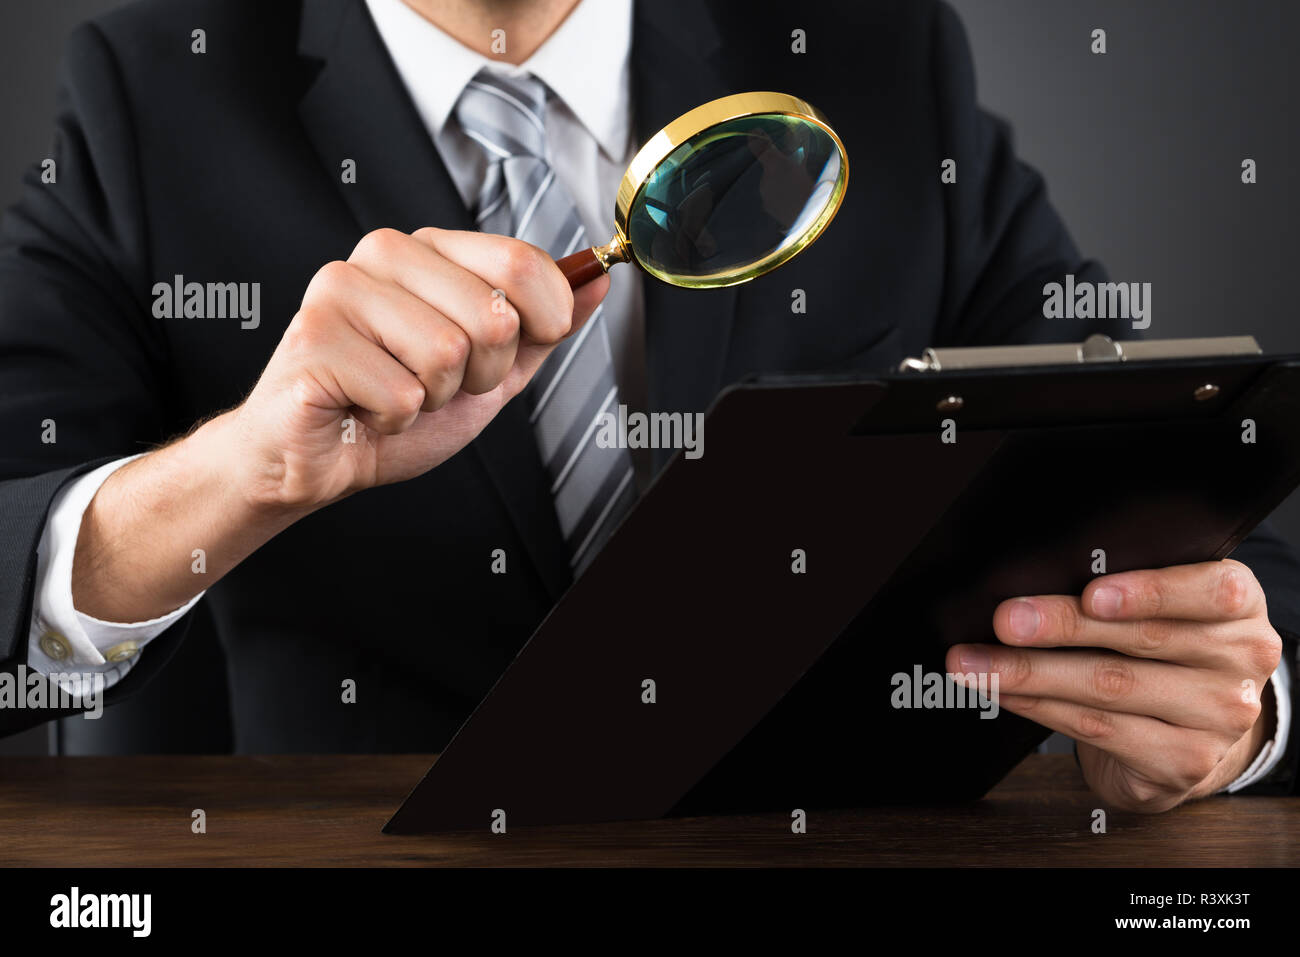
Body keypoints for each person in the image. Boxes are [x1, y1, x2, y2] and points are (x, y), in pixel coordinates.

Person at [0, 0, 1294, 813]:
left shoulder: (874, 46)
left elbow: (1188, 463)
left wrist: (1233, 708)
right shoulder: (147, 83)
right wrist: (245, 471)